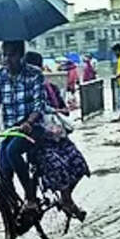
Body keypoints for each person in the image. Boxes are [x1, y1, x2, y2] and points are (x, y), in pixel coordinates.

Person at [24, 51, 89, 221]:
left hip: (59, 138)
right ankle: (65, 201)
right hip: (40, 142)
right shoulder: (24, 92)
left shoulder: (50, 87)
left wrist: (55, 112)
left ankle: (66, 198)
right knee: (58, 168)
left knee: (80, 165)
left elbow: (65, 111)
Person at [0, 40, 46, 213]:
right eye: (5, 55)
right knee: (4, 170)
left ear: (21, 56)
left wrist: (29, 122)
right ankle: (13, 210)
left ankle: (31, 197)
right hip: (10, 130)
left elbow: (40, 106)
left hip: (33, 128)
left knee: (12, 152)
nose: (8, 59)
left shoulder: (34, 74)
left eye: (12, 55)